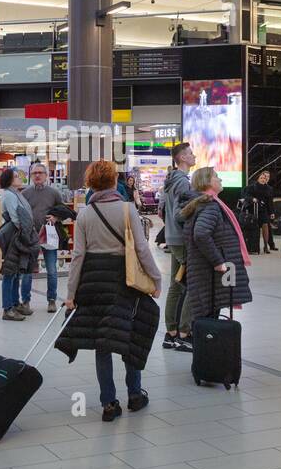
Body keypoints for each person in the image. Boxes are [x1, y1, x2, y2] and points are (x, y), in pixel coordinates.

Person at [58, 160, 161, 422]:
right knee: (129, 333)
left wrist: (70, 294)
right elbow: (141, 249)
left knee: (102, 342)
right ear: (114, 181)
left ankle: (108, 403)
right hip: (123, 280)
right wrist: (156, 278)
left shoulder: (84, 214)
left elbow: (78, 256)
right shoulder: (127, 210)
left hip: (93, 282)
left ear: (91, 183)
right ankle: (135, 395)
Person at [180, 167, 253, 322]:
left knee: (208, 313)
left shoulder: (203, 203)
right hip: (210, 271)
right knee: (209, 316)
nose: (220, 179)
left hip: (204, 269)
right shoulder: (210, 205)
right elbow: (200, 234)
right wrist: (218, 261)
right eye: (217, 176)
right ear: (207, 182)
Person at [160, 142, 198, 351]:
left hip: (172, 237)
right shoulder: (183, 182)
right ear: (182, 158)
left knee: (176, 285)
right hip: (182, 239)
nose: (194, 156)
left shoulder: (171, 180)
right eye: (191, 154)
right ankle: (184, 333)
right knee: (193, 284)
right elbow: (179, 213)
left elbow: (164, 210)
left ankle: (171, 332)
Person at [23, 162, 66, 313]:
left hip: (49, 236)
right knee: (28, 271)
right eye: (35, 173)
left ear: (46, 175)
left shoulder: (54, 193)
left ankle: (52, 300)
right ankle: (26, 301)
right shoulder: (25, 194)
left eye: (40, 173)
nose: (38, 175)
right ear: (31, 176)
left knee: (52, 270)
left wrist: (56, 218)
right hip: (30, 236)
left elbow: (63, 211)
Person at [0, 166, 37, 321]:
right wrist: (26, 234)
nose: (19, 178)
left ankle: (14, 303)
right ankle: (7, 309)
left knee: (15, 272)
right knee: (9, 273)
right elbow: (16, 218)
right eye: (16, 176)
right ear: (10, 180)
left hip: (18, 236)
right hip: (15, 238)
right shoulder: (9, 195)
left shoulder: (16, 193)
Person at [245, 169, 277, 252]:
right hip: (254, 209)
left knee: (265, 226)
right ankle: (254, 246)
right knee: (255, 228)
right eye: (261, 178)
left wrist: (272, 212)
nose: (263, 179)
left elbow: (270, 202)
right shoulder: (252, 187)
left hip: (264, 210)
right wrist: (253, 199)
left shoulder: (269, 188)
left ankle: (266, 246)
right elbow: (247, 196)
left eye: (264, 178)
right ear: (258, 179)